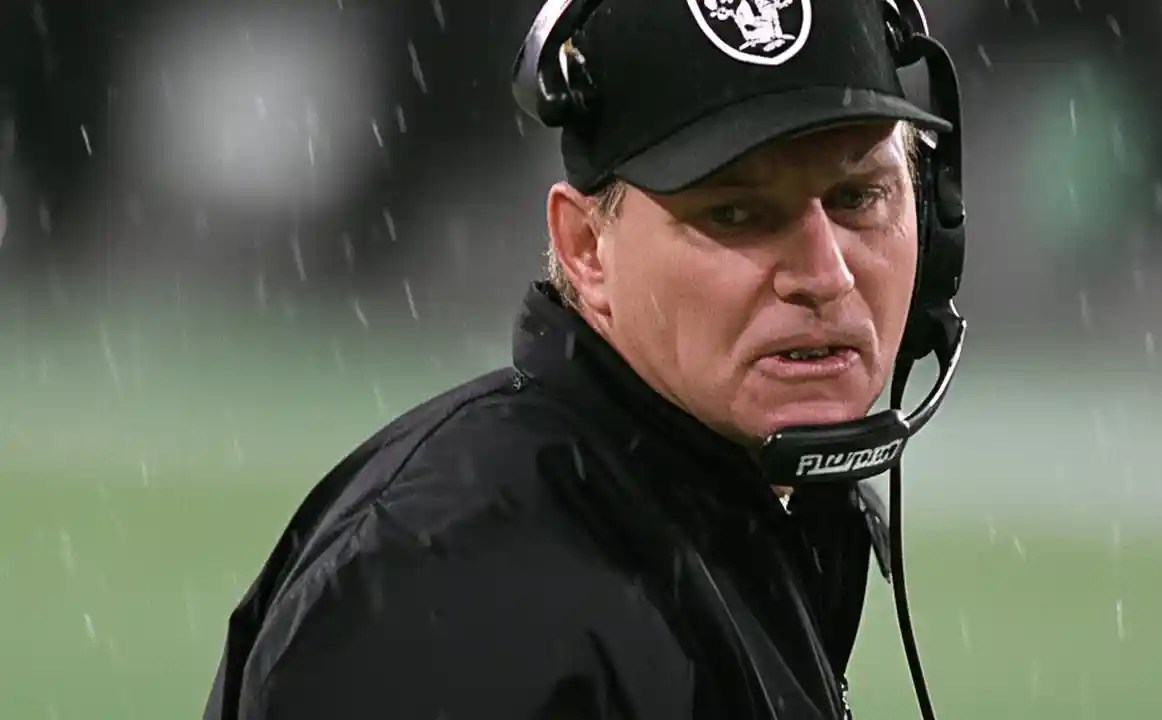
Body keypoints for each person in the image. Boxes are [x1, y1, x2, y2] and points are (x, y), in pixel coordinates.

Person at [203, 0, 968, 718]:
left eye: (858, 197)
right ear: (587, 250)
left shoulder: (756, 518)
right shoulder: (447, 584)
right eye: (736, 213)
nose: (826, 274)